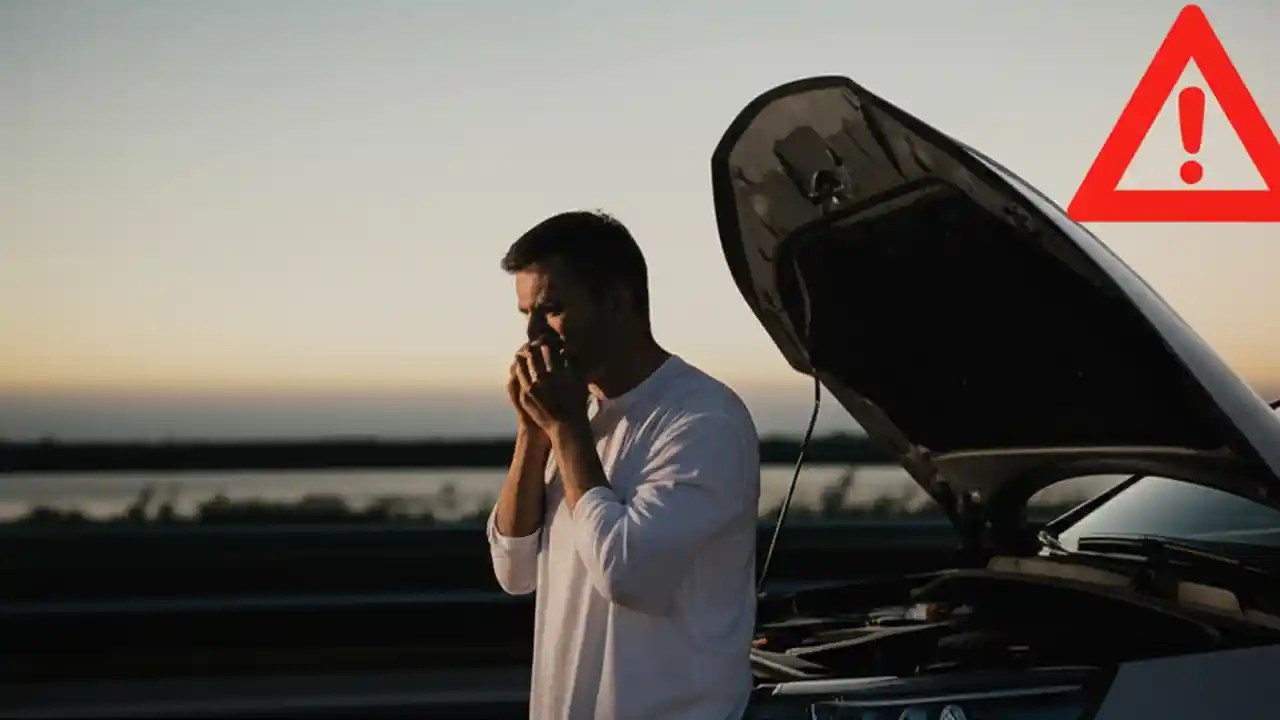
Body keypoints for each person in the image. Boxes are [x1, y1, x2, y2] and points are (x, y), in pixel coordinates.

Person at [486, 210, 762, 719]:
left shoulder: (703, 419)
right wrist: (533, 431)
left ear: (616, 302)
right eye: (525, 314)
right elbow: (513, 568)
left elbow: (628, 572)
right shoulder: (572, 414)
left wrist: (565, 430)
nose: (532, 337)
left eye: (550, 310)